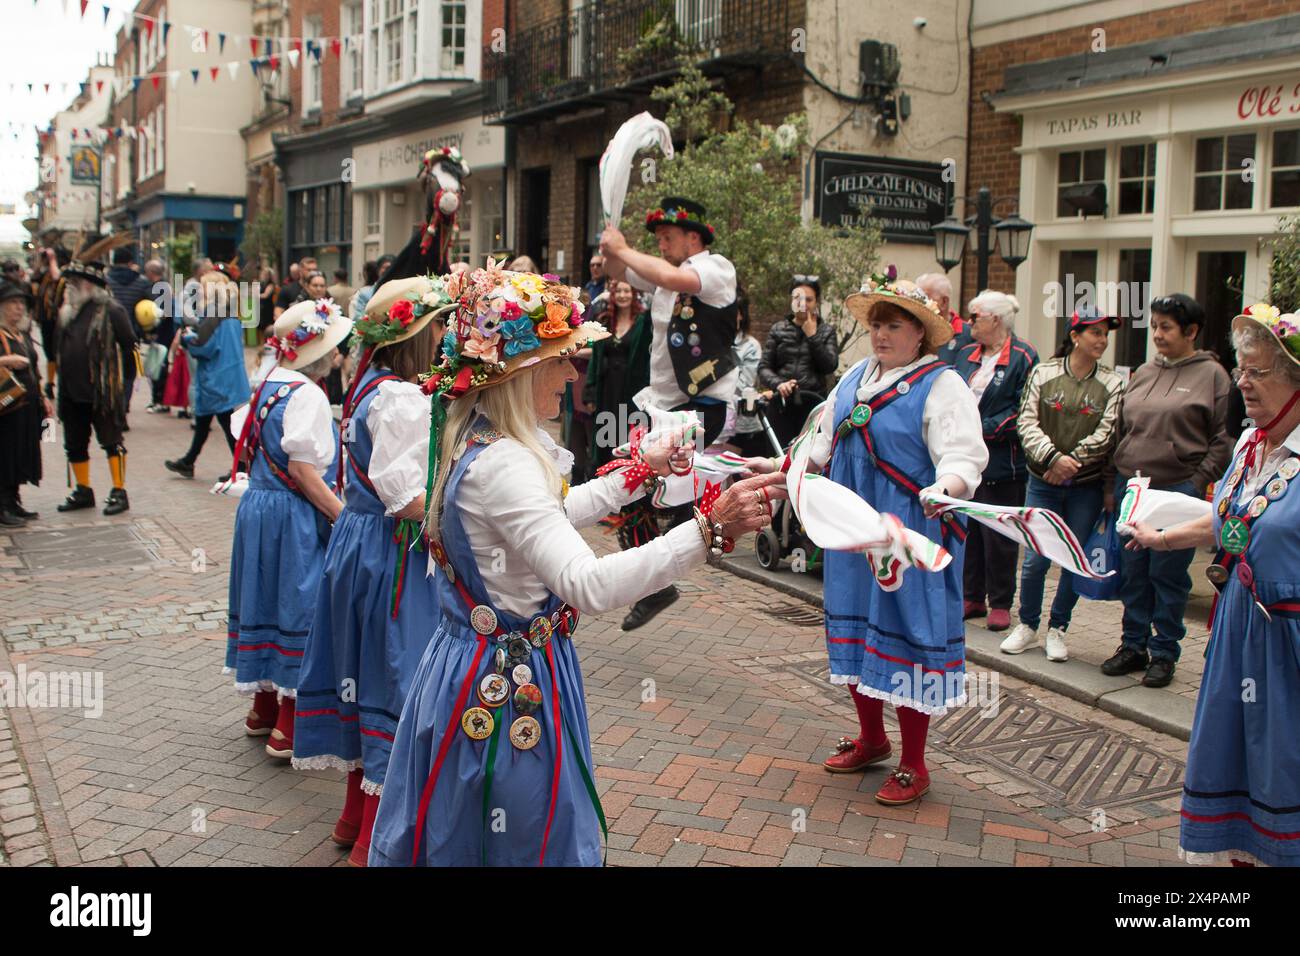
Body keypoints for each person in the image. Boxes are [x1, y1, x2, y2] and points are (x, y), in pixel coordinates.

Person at [367, 264, 784, 865]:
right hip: (508, 682)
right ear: (520, 370)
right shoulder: (506, 464)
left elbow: (548, 515)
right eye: (561, 358)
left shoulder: (477, 438)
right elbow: (586, 584)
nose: (572, 372)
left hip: (473, 662)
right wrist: (707, 529)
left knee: (471, 829)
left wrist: (640, 473)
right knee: (521, 832)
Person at [746, 276, 987, 805]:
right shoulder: (856, 375)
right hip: (852, 522)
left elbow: (964, 456)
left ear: (919, 333)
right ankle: (873, 739)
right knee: (854, 623)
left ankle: (915, 762)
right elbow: (819, 438)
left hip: (907, 528)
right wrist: (782, 465)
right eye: (875, 324)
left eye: (892, 325)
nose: (880, 334)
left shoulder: (942, 385)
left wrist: (944, 487)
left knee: (907, 631)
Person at [1126, 302, 1300, 867]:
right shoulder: (1252, 446)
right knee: (1234, 761)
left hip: (1288, 642)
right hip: (1238, 632)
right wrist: (1163, 537)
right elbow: (1231, 524)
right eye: (1241, 370)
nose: (1242, 384)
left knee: (1283, 767)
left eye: (1259, 372)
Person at [293, 275, 452, 866]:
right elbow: (405, 496)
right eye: (438, 326)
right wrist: (456, 517)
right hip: (391, 549)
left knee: (363, 668)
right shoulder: (403, 399)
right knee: (396, 677)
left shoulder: (367, 385)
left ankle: (352, 818)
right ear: (416, 333)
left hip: (357, 544)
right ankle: (370, 840)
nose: (445, 337)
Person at [225, 298, 351, 761]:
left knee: (263, 597)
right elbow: (303, 469)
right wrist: (342, 515)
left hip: (258, 508)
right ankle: (287, 725)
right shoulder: (308, 395)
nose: (340, 355)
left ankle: (262, 708)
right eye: (336, 347)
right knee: (302, 608)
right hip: (292, 512)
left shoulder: (266, 382)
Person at [1100, 293, 1233, 687]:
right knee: (1133, 572)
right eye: (1154, 326)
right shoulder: (1143, 371)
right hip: (1133, 486)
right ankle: (1133, 644)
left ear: (1191, 332)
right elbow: (1123, 430)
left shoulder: (1213, 377)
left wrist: (1195, 484)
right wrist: (1113, 483)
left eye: (1166, 327)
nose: (1157, 334)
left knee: (1168, 574)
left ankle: (1164, 652)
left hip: (1176, 488)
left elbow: (1223, 439)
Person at [1000, 307, 1125, 661]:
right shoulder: (1044, 373)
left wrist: (1070, 464)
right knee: (1037, 556)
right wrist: (1054, 459)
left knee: (1073, 556)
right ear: (1074, 336)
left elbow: (1109, 432)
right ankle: (1026, 624)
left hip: (1084, 486)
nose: (1101, 340)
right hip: (1042, 481)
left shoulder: (1113, 383)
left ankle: (1058, 627)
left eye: (1105, 334)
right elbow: (1026, 422)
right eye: (1094, 333)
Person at [600, 197, 739, 447]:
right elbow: (616, 271)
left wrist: (622, 249)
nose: (661, 246)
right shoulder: (663, 275)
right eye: (658, 240)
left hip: (702, 402)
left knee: (661, 472)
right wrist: (609, 251)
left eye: (667, 237)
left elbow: (673, 278)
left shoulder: (716, 267)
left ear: (693, 237)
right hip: (663, 402)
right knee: (649, 474)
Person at [951, 290, 1038, 631]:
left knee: (999, 535)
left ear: (996, 320)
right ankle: (971, 595)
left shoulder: (1024, 356)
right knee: (968, 529)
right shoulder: (965, 354)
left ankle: (1000, 602)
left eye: (975, 317)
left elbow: (1022, 409)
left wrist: (977, 429)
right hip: (966, 459)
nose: (969, 323)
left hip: (1003, 463)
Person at [54, 239, 138, 517]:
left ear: (89, 285)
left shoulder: (112, 310)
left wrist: (123, 388)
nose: (69, 288)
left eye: (74, 283)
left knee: (111, 441)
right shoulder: (67, 313)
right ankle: (83, 489)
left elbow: (130, 348)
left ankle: (119, 490)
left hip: (103, 392)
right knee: (74, 443)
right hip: (71, 392)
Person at [164, 271, 252, 479]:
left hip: (217, 378)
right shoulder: (230, 314)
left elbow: (203, 347)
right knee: (206, 421)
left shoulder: (214, 317)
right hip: (227, 376)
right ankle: (189, 460)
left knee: (225, 423)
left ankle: (240, 467)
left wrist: (187, 339)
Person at [756, 275, 839, 447]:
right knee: (777, 456)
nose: (803, 304)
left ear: (816, 302)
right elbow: (764, 367)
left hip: (813, 405)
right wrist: (779, 384)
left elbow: (830, 365)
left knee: (807, 458)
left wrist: (813, 336)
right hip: (781, 404)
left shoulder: (826, 331)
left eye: (808, 299)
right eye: (797, 298)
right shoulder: (778, 329)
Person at [0, 283, 52, 525]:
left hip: (27, 406)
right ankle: (2, 505)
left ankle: (13, 500)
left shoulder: (21, 334)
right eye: (13, 303)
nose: (19, 308)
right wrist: (6, 359)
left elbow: (33, 370)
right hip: (8, 407)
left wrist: (43, 398)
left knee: (22, 453)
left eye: (22, 304)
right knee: (6, 455)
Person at [730, 291, 767, 458]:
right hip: (701, 416)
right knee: (697, 465)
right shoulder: (705, 344)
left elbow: (745, 385)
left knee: (725, 471)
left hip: (736, 421)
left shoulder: (750, 346)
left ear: (740, 315)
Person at [918, 273, 971, 366]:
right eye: (917, 298)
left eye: (925, 298)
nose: (919, 304)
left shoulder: (967, 334)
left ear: (944, 302)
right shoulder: (915, 330)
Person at [350, 255, 393, 319]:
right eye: (385, 267)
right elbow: (358, 319)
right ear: (378, 270)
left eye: (391, 268)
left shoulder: (404, 290)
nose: (388, 271)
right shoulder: (365, 294)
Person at [257, 266, 278, 339]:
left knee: (267, 325)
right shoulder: (262, 284)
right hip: (261, 307)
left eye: (265, 274)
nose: (263, 275)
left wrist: (256, 295)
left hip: (267, 308)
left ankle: (268, 341)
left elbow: (266, 295)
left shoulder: (270, 284)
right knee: (261, 326)